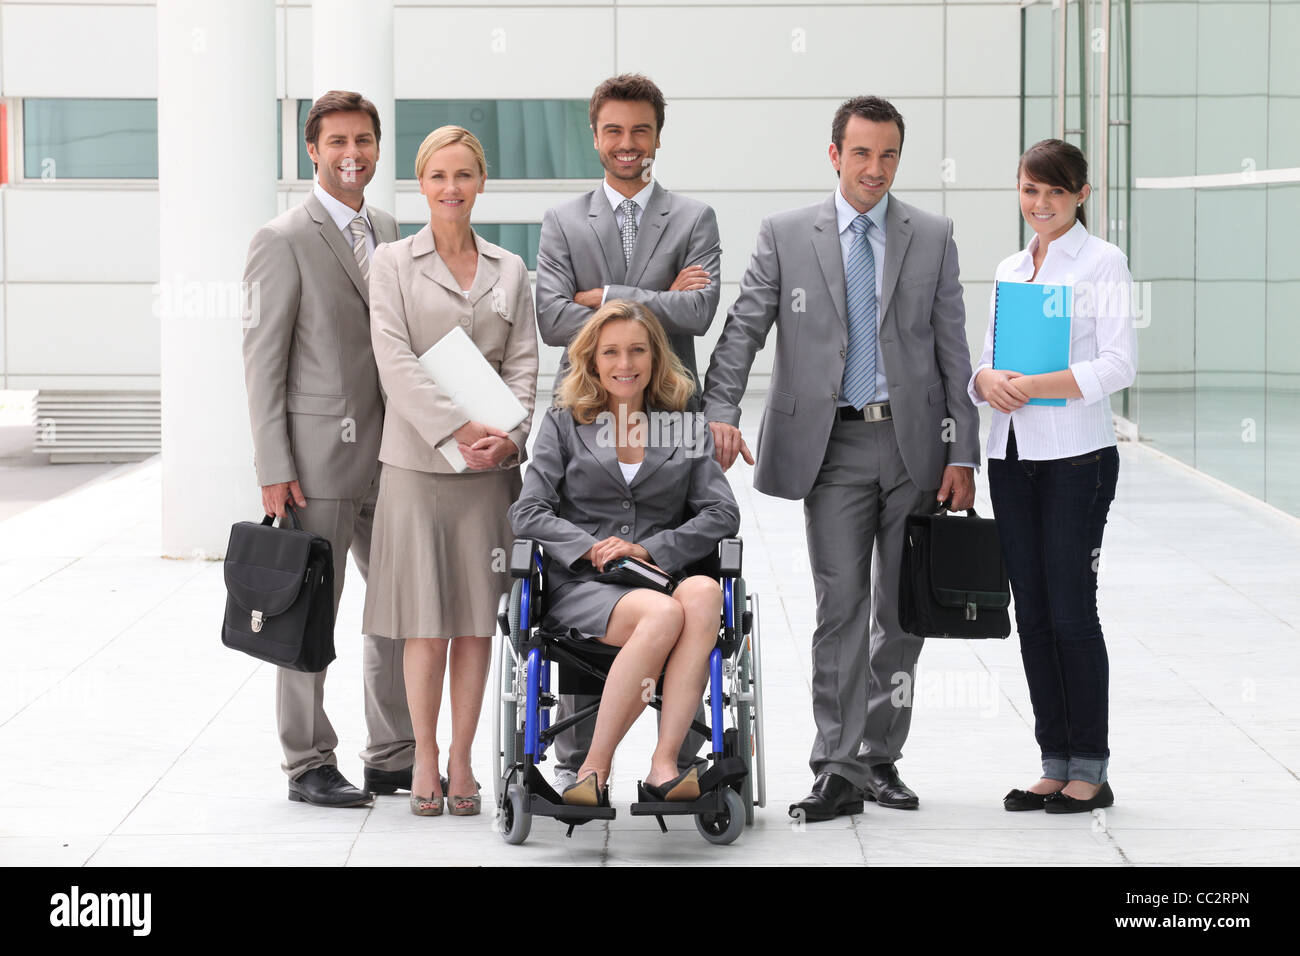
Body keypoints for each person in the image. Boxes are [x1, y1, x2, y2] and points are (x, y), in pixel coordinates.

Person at [702, 96, 981, 821]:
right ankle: (836, 763)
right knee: (842, 608)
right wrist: (721, 409)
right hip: (832, 445)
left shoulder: (933, 235)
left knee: (904, 613)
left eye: (888, 154)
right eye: (861, 153)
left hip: (914, 445)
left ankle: (879, 759)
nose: (875, 169)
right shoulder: (787, 234)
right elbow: (743, 330)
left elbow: (954, 349)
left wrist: (963, 451)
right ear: (835, 154)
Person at [534, 72, 722, 791]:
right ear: (595, 135)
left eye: (640, 130)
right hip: (586, 417)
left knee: (681, 584)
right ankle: (580, 759)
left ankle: (657, 763)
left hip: (670, 411)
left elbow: (699, 313)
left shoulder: (693, 217)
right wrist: (658, 304)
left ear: (658, 136)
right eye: (613, 130)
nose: (627, 144)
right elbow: (553, 318)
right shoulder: (563, 221)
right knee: (599, 532)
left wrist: (608, 298)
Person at [241, 90, 415, 808]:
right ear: (313, 150)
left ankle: (393, 753)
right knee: (310, 611)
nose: (353, 154)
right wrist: (273, 466)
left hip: (394, 456)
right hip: (317, 464)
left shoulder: (389, 226)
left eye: (365, 141)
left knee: (400, 609)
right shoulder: (281, 238)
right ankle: (307, 760)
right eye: (338, 141)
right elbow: (260, 360)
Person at [364, 126, 538, 816]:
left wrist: (511, 435)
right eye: (437, 176)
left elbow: (524, 365)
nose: (451, 188)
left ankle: (465, 757)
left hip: (489, 473)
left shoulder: (511, 269)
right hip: (417, 466)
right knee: (424, 622)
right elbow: (393, 360)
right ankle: (426, 756)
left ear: (481, 182)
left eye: (463, 175)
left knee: (473, 619)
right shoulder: (392, 264)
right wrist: (459, 427)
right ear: (421, 184)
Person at [509, 301, 740, 806]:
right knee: (664, 613)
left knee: (703, 594)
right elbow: (528, 513)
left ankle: (664, 765)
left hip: (660, 578)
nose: (625, 363)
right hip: (586, 587)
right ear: (591, 360)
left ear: (655, 358)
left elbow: (723, 514)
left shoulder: (683, 424)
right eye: (610, 352)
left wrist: (650, 549)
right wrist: (592, 548)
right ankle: (594, 768)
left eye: (637, 350)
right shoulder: (564, 423)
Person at [970, 138, 1135, 814]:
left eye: (1055, 193)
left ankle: (1089, 767)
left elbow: (1119, 364)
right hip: (1011, 460)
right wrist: (985, 380)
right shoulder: (1012, 267)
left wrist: (1036, 383)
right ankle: (1054, 759)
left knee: (1071, 610)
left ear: (1081, 197)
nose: (1041, 204)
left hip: (1075, 462)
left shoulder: (1102, 263)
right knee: (1032, 614)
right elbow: (983, 365)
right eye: (1030, 191)